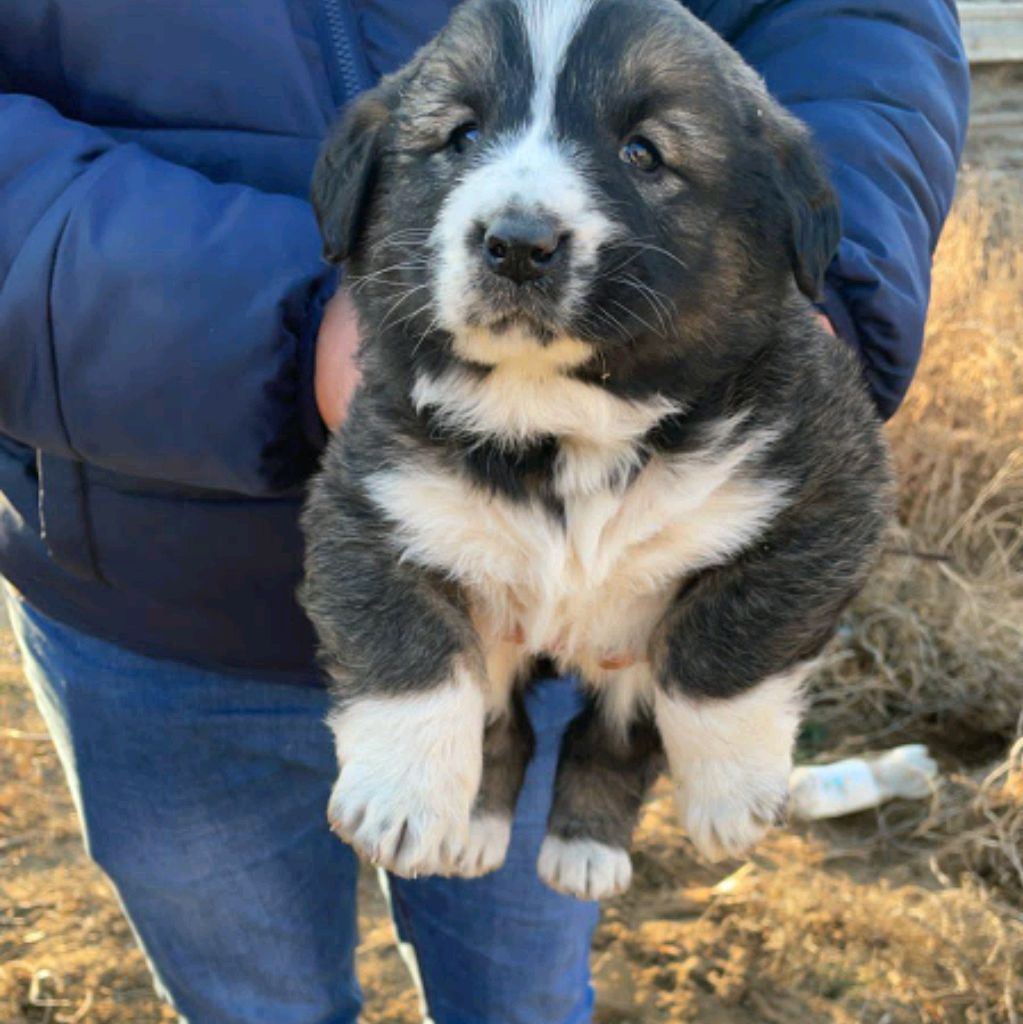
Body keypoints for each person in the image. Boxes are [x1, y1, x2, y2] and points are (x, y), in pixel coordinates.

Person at [0, 2, 969, 1022]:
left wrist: (814, 307)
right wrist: (288, 318)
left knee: (519, 991)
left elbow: (854, 17)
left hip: (560, 623)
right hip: (146, 587)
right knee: (248, 1002)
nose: (522, 217)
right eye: (462, 139)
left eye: (639, 151)